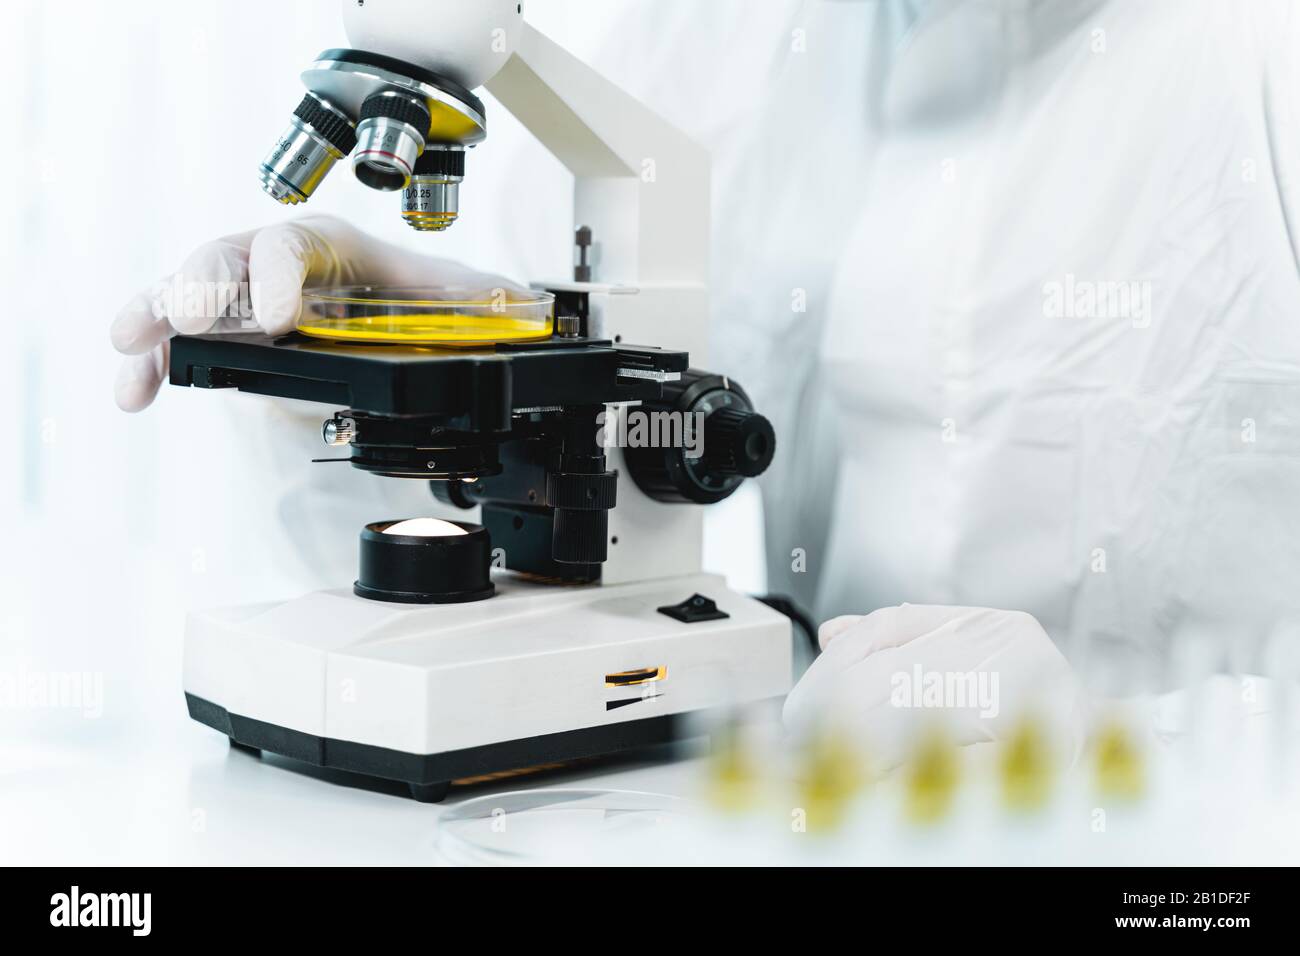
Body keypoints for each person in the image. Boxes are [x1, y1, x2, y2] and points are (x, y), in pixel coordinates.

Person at [111, 0, 1300, 758]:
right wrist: (349, 340)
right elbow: (523, 400)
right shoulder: (716, 37)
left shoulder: (1256, 60)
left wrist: (1120, 746)